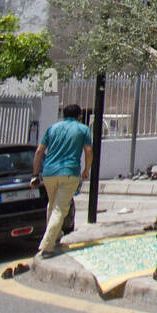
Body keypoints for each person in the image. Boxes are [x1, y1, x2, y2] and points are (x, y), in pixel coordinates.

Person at [31, 103, 93, 259]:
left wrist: (35, 173)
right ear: (79, 116)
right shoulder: (83, 129)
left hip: (49, 172)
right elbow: (89, 151)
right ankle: (47, 245)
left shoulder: (52, 129)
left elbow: (39, 151)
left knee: (52, 205)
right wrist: (86, 169)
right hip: (69, 172)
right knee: (60, 209)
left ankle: (56, 237)